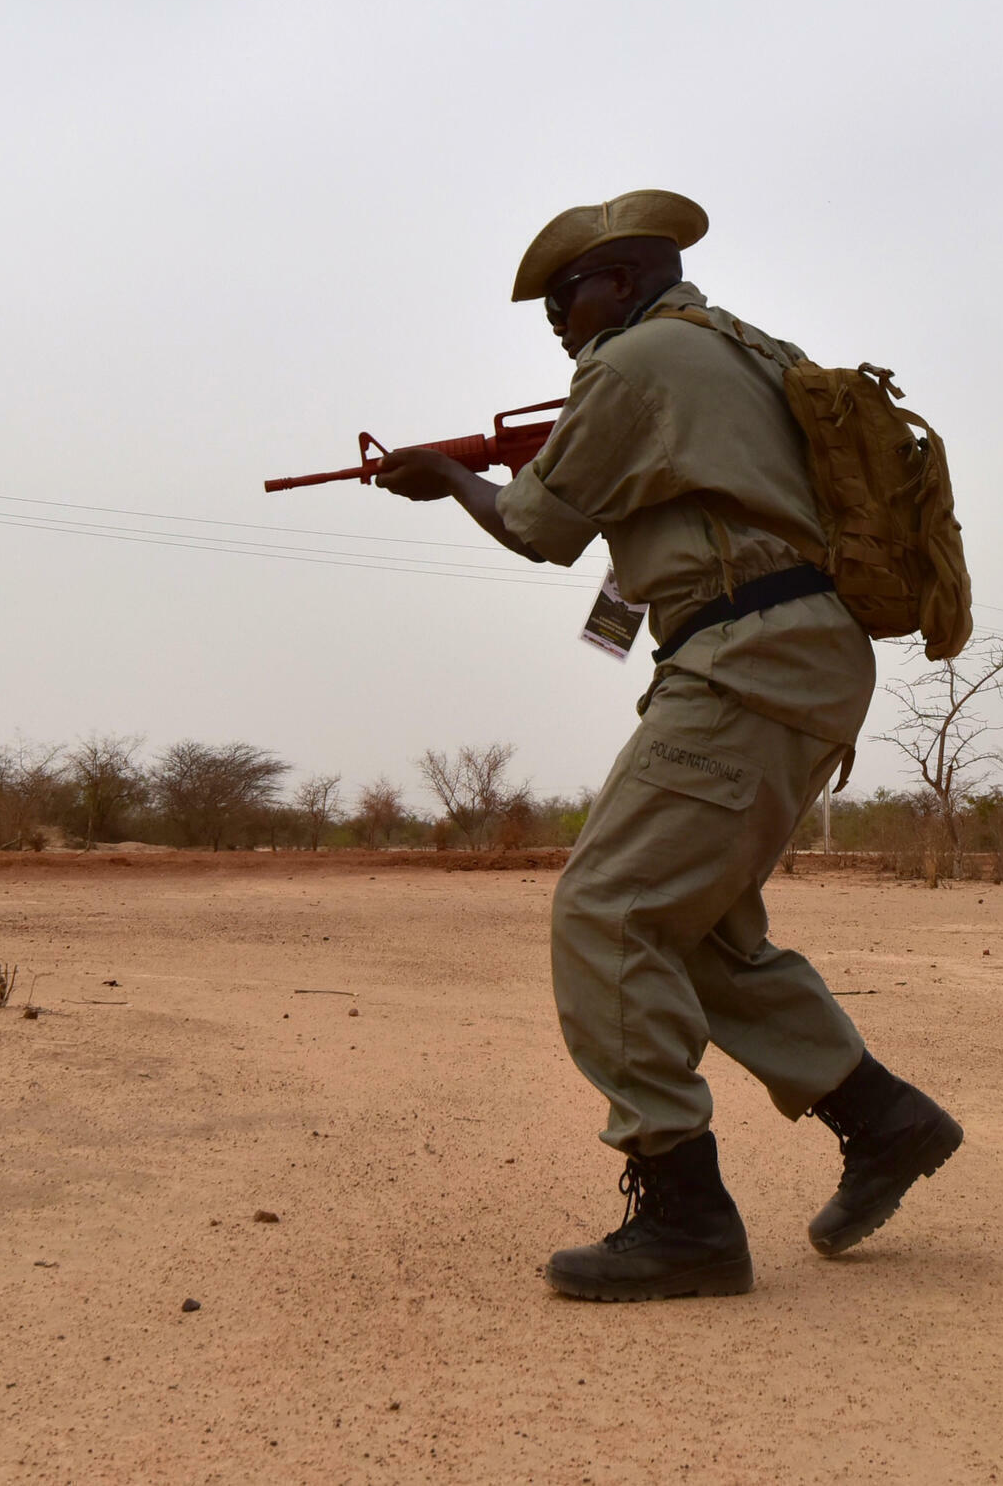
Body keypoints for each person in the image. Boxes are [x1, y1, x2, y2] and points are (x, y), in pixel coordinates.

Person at [371, 189, 962, 1301]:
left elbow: (537, 526)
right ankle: (883, 1120)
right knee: (690, 930)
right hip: (797, 653)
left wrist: (449, 479)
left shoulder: (632, 362)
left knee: (606, 911)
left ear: (626, 279)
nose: (558, 321)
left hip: (747, 655)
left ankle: (686, 1216)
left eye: (567, 294)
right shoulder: (747, 349)